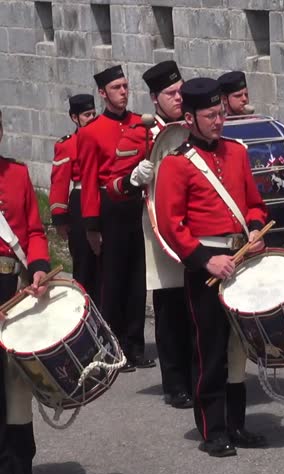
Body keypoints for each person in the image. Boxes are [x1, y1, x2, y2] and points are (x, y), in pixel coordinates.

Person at [155, 78, 267, 457]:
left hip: (241, 259)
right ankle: (213, 430)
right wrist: (205, 259)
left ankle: (238, 423)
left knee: (239, 347)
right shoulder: (176, 164)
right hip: (206, 266)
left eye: (220, 114)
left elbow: (254, 204)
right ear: (189, 118)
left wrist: (255, 228)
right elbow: (171, 225)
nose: (219, 121)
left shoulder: (236, 152)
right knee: (211, 348)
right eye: (210, 116)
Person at [105, 60, 193, 407]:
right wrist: (133, 179)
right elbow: (112, 186)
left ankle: (201, 375)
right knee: (170, 309)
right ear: (155, 98)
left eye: (181, 91)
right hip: (159, 230)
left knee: (199, 306)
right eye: (171, 94)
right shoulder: (138, 134)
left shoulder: (193, 127)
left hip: (195, 228)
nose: (179, 98)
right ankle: (176, 383)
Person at [77, 65, 154, 371]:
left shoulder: (140, 124)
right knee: (112, 282)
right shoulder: (91, 132)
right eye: (116, 88)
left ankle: (135, 346)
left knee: (137, 281)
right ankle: (113, 347)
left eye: (125, 86)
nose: (123, 92)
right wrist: (92, 226)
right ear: (102, 93)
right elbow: (89, 181)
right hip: (110, 209)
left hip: (137, 206)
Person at [0, 108, 51, 474]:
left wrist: (38, 267)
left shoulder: (16, 173)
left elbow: (33, 230)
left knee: (18, 384)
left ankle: (19, 468)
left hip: (14, 286)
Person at [48, 94, 99, 304]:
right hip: (80, 201)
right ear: (74, 118)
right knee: (84, 262)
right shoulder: (68, 145)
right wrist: (60, 218)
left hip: (102, 200)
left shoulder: (102, 137)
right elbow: (59, 182)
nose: (92, 118)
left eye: (94, 113)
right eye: (87, 115)